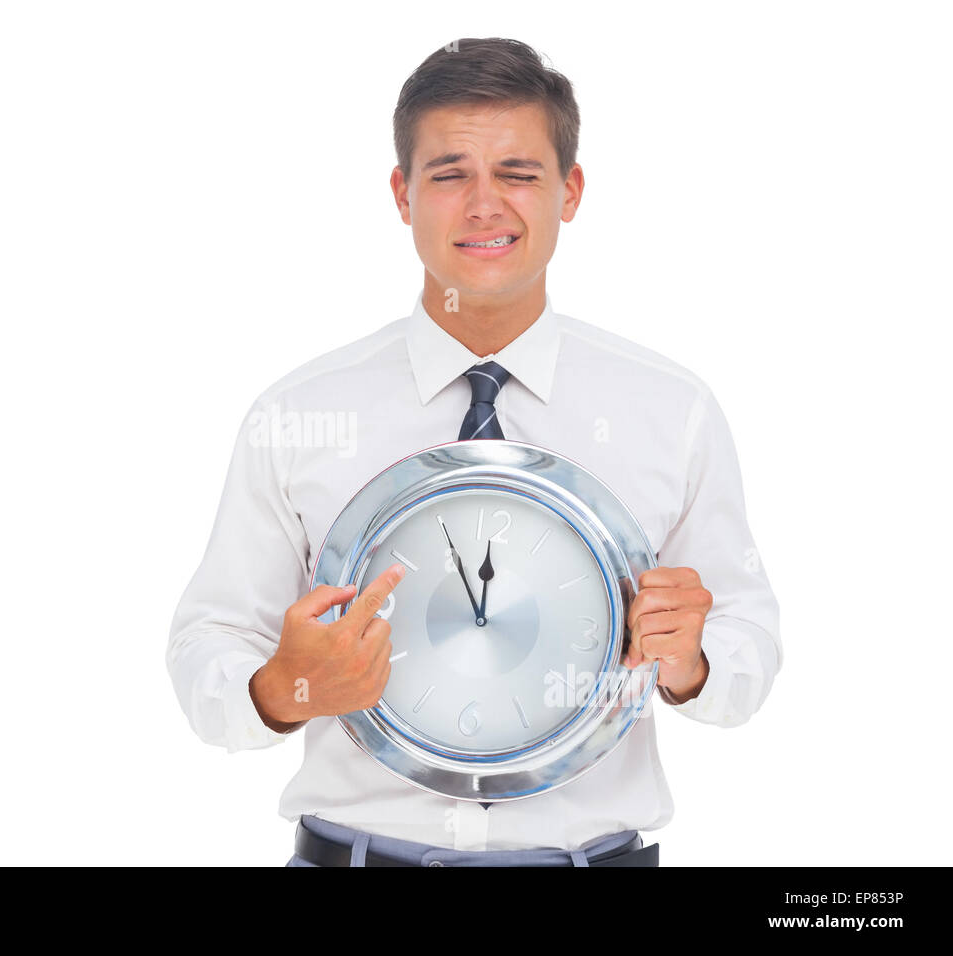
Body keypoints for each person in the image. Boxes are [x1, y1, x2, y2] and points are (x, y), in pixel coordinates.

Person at [166, 37, 781, 867]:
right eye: (449, 174)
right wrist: (284, 689)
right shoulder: (300, 412)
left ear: (570, 191)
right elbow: (209, 640)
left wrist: (696, 661)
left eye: (519, 174)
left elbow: (749, 640)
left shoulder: (672, 410)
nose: (484, 205)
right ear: (402, 193)